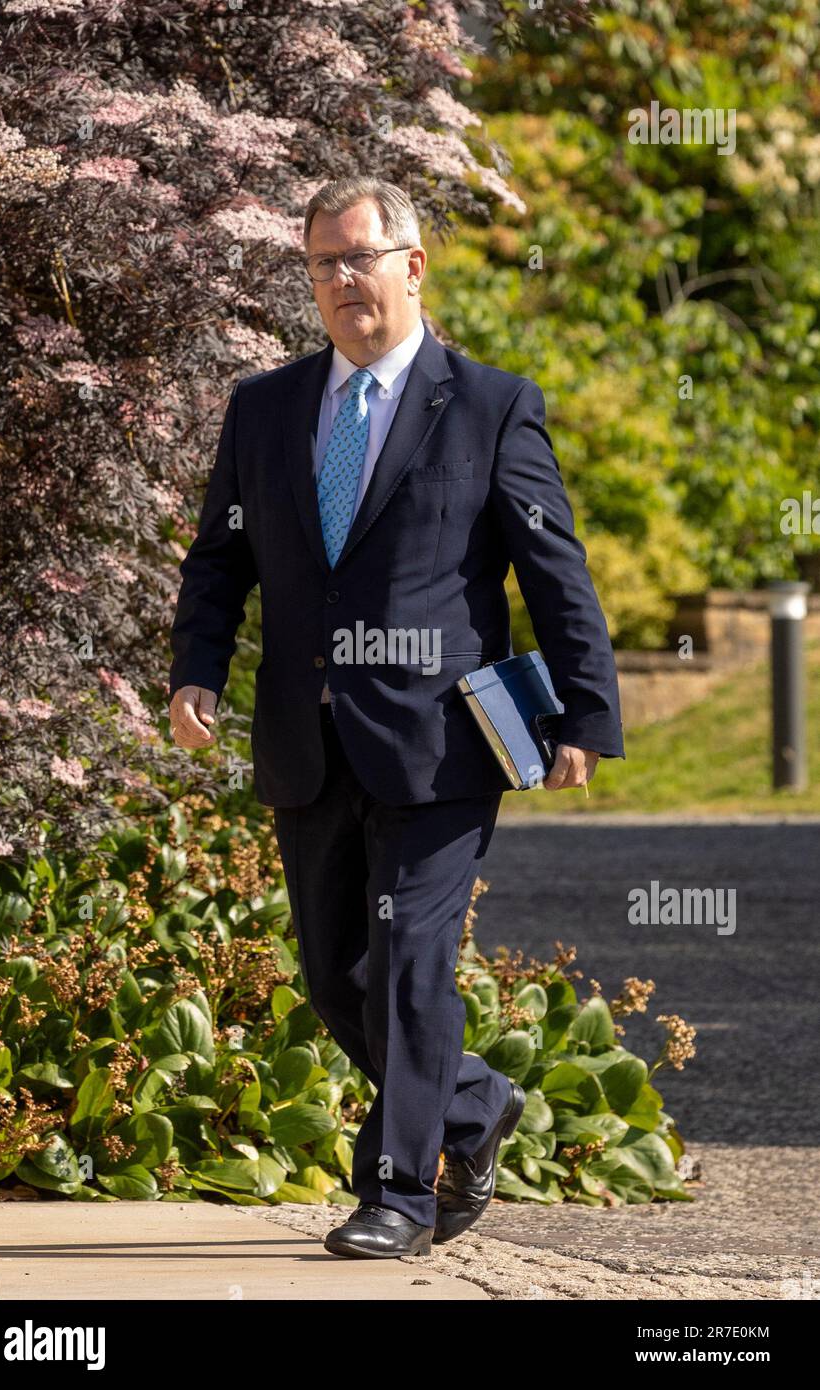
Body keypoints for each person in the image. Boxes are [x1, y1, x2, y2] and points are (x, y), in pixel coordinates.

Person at [167, 175, 624, 1259]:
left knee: (411, 965)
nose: (336, 281)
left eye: (355, 259)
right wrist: (197, 667)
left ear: (411, 265)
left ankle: (399, 1195)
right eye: (320, 263)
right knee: (338, 975)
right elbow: (219, 557)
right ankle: (470, 1102)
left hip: (437, 745)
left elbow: (549, 569)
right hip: (303, 735)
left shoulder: (488, 405)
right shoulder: (265, 406)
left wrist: (583, 715)